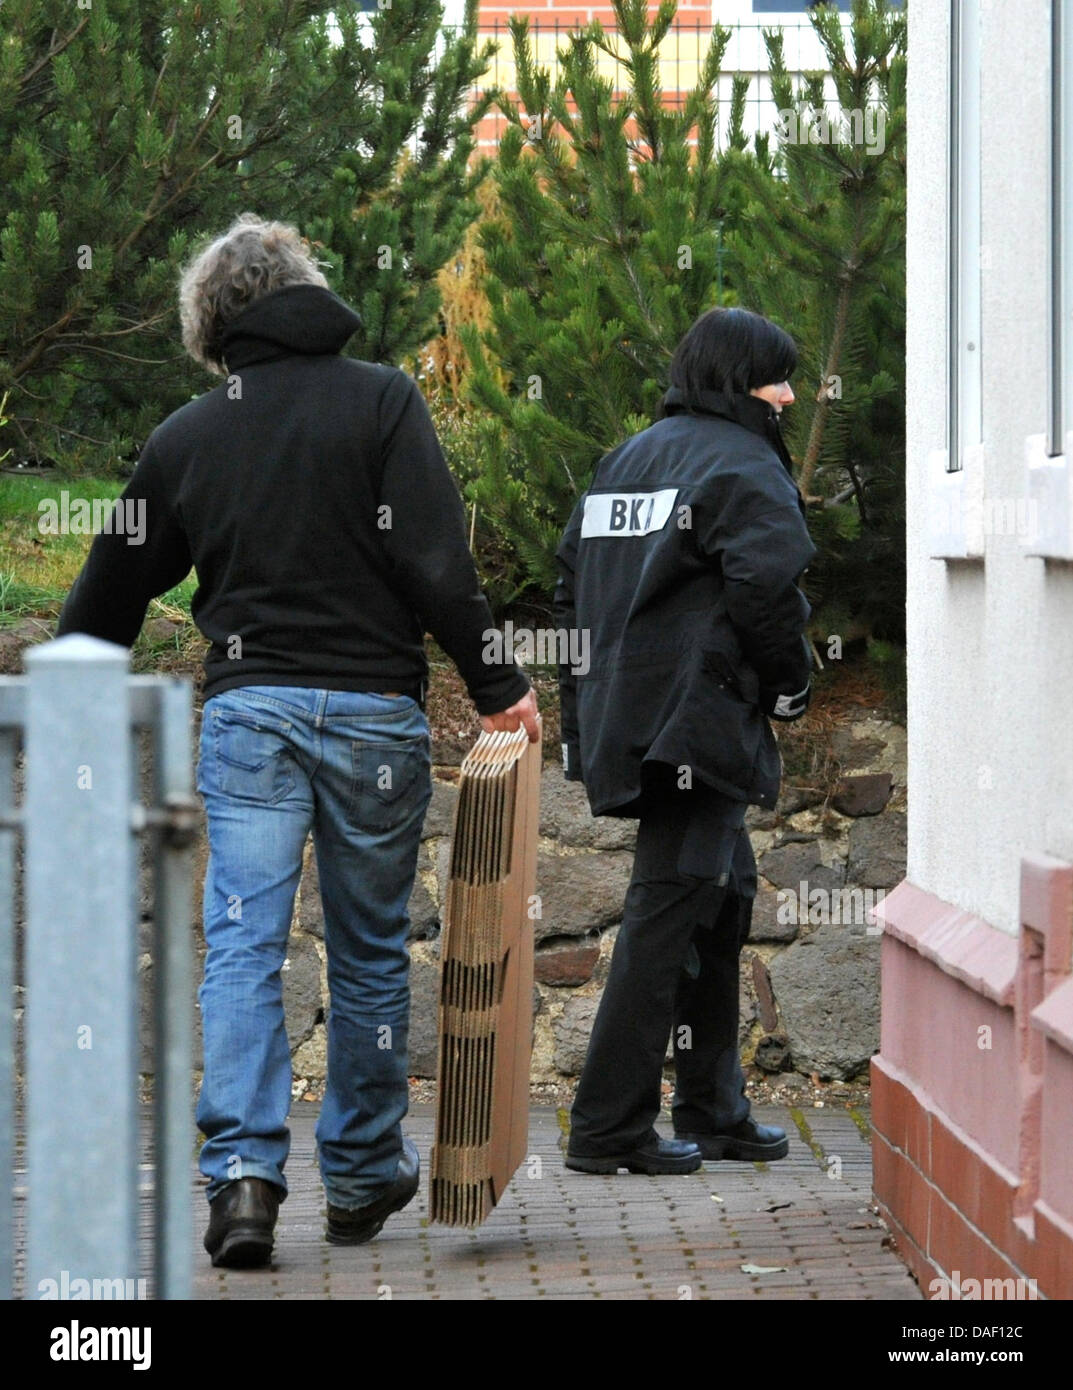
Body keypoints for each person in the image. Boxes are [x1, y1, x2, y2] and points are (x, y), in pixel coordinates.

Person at [55, 212, 539, 1266]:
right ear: (305, 291)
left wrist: (67, 698)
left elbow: (109, 590)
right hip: (372, 714)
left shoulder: (190, 434)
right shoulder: (380, 400)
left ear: (209, 321)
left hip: (250, 718)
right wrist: (497, 683)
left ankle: (241, 1179)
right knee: (368, 950)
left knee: (242, 943)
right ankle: (362, 1173)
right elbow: (436, 563)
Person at [554, 305, 817, 1175]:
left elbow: (569, 594)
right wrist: (788, 683)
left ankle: (713, 1108)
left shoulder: (623, 462)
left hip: (627, 716)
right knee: (665, 915)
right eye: (777, 377)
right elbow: (768, 589)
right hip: (696, 724)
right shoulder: (743, 463)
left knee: (721, 898)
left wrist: (578, 719)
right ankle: (607, 1127)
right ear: (743, 380)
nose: (788, 396)